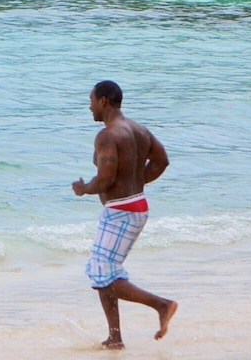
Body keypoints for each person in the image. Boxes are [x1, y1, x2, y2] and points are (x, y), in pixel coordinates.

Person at [69, 80, 178, 350]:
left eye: (92, 100)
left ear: (103, 101)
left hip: (122, 211)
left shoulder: (107, 135)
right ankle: (114, 337)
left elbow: (105, 180)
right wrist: (136, 180)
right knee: (104, 271)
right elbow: (162, 160)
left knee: (100, 272)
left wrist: (84, 189)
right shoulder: (138, 130)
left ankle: (162, 305)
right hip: (135, 205)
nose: (90, 106)